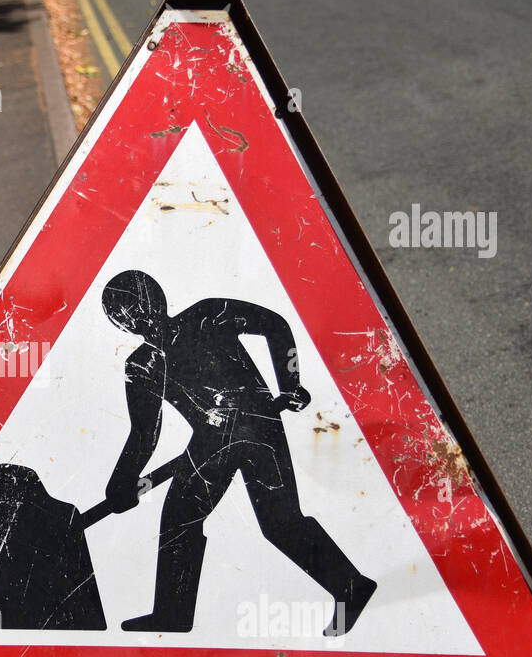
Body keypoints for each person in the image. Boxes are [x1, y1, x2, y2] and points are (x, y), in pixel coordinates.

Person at [101, 270, 377, 636]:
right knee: (179, 520)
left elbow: (275, 325)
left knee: (280, 524)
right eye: (122, 312)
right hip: (211, 444)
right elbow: (144, 432)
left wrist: (290, 383)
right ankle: (172, 613)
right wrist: (120, 482)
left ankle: (351, 586)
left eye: (136, 304)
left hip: (258, 428)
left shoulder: (206, 315)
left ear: (156, 297)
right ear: (118, 323)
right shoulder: (141, 366)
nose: (134, 317)